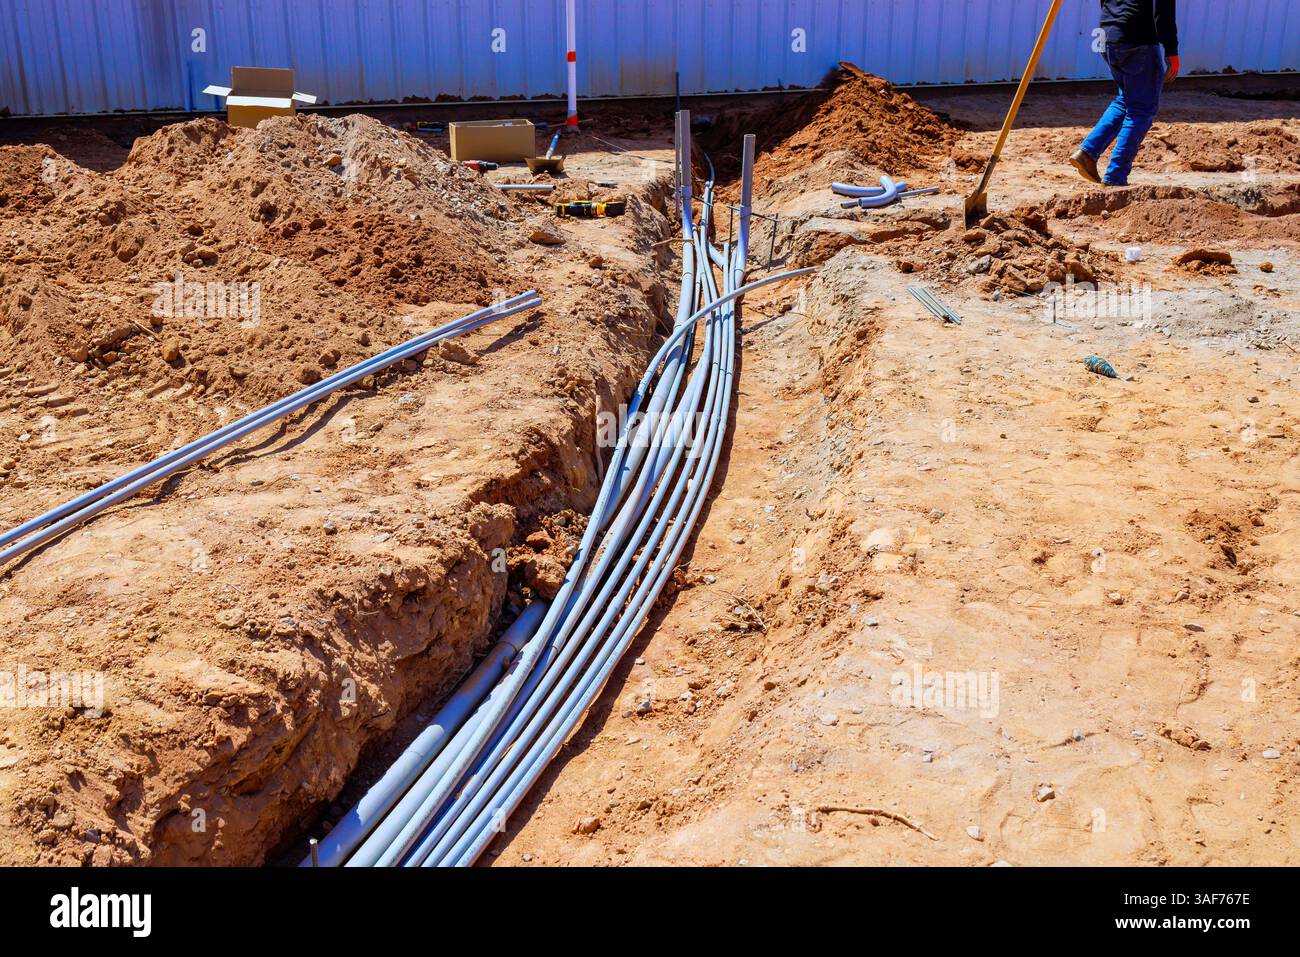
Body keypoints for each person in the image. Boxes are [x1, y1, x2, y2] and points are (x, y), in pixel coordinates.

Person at [1070, 0, 1180, 187]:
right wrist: (1172, 51)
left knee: (1125, 101)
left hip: (1107, 36)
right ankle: (1115, 177)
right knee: (1141, 110)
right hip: (1137, 40)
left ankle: (1088, 153)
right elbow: (1163, 10)